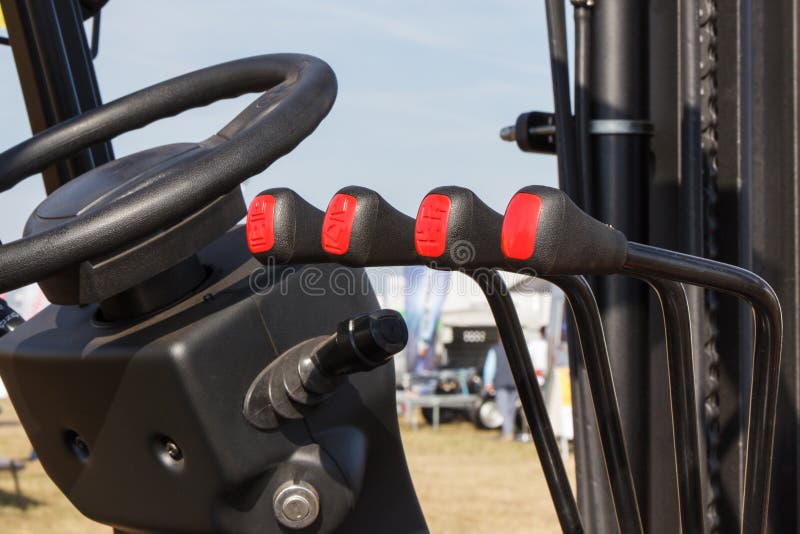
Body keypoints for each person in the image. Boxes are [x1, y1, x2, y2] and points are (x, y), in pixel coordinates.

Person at [483, 340, 518, 440]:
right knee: (511, 409)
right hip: (513, 383)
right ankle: (510, 431)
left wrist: (488, 382)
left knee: (504, 409)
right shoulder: (514, 349)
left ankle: (508, 433)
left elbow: (490, 367)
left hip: (501, 383)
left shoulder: (495, 349)